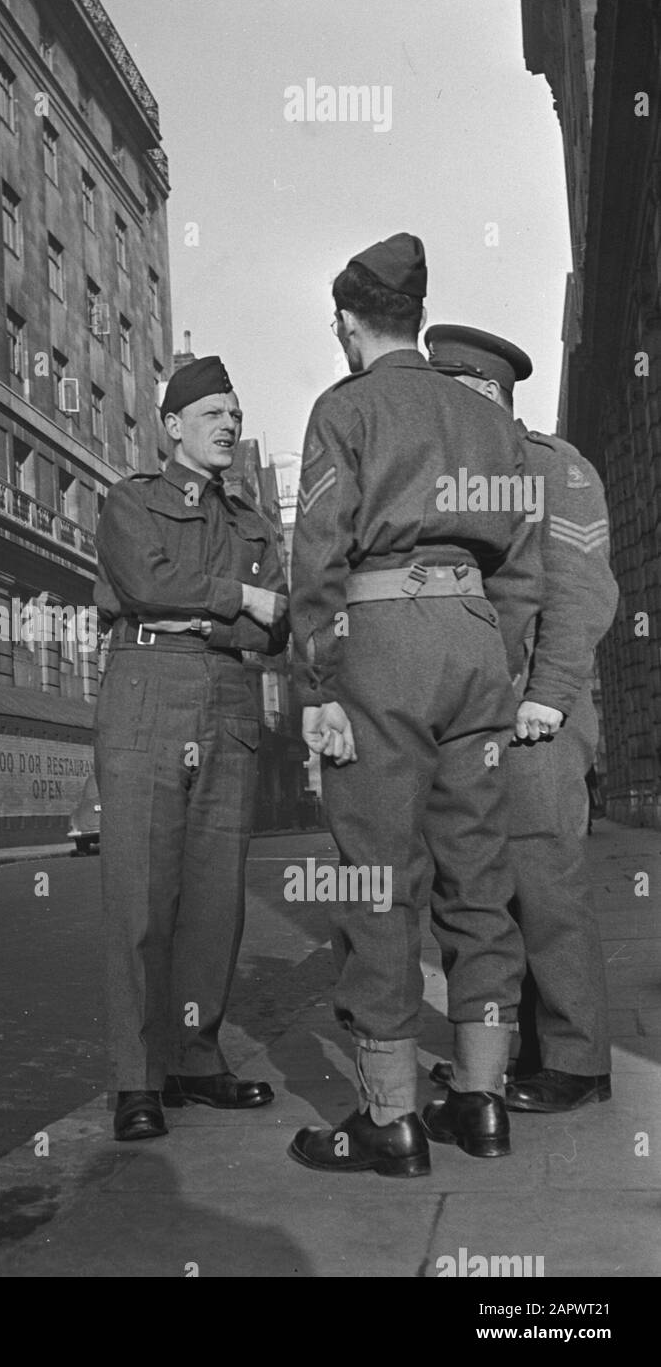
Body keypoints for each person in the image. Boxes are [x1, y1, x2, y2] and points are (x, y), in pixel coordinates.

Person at [287, 234, 543, 1177]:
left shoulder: (344, 408)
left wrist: (316, 685)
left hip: (382, 653)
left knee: (375, 880)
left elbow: (315, 553)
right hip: (473, 646)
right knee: (478, 875)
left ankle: (389, 1119)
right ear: (419, 316)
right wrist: (497, 658)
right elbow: (521, 563)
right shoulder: (484, 421)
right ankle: (479, 1103)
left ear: (349, 324)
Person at [93, 354, 289, 1141]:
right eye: (214, 415)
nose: (229, 427)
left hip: (229, 696)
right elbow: (144, 584)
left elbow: (279, 624)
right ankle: (137, 1080)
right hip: (147, 689)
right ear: (173, 427)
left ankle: (196, 1059)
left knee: (214, 898)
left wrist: (207, 611)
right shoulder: (130, 501)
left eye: (235, 416)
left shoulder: (250, 521)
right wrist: (236, 598)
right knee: (141, 892)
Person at [425, 323, 616, 1113]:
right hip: (471, 717)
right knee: (484, 894)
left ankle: (576, 1062)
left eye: (449, 393)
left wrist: (548, 694)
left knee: (547, 885)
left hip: (537, 716)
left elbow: (578, 593)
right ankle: (503, 1056)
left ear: (485, 393)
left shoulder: (551, 467)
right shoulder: (454, 477)